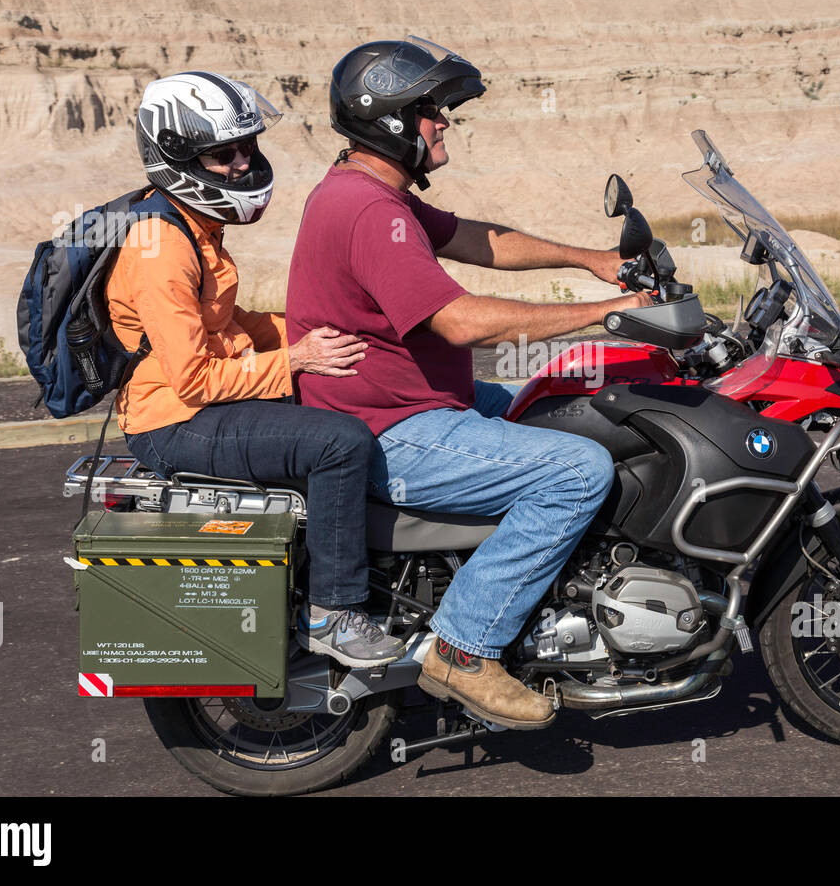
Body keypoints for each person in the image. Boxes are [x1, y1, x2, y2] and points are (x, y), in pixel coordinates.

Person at [286, 37, 654, 729]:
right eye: (432, 110)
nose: (444, 122)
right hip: (393, 432)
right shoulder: (370, 211)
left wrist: (594, 259)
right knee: (577, 470)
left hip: (411, 406)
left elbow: (479, 240)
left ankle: (551, 596)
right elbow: (459, 324)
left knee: (560, 405)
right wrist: (607, 315)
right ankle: (462, 649)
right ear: (392, 120)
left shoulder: (369, 193)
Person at [107, 70, 406, 668]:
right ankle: (333, 612)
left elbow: (225, 322)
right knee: (339, 443)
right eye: (224, 154)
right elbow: (191, 377)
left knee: (332, 394)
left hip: (198, 405)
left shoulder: (189, 225)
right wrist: (295, 359)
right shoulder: (161, 249)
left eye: (248, 148)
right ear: (177, 157)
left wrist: (314, 327)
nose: (244, 165)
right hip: (173, 421)